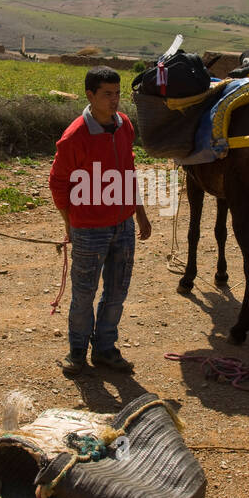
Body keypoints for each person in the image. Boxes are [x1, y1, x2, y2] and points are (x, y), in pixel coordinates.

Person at [49, 67, 152, 376]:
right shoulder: (74, 136)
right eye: (107, 94)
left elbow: (129, 174)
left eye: (117, 93)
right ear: (90, 95)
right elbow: (58, 184)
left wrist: (140, 215)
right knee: (84, 294)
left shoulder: (125, 127)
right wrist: (70, 223)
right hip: (89, 229)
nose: (114, 100)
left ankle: (105, 349)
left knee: (117, 292)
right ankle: (77, 352)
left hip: (123, 226)